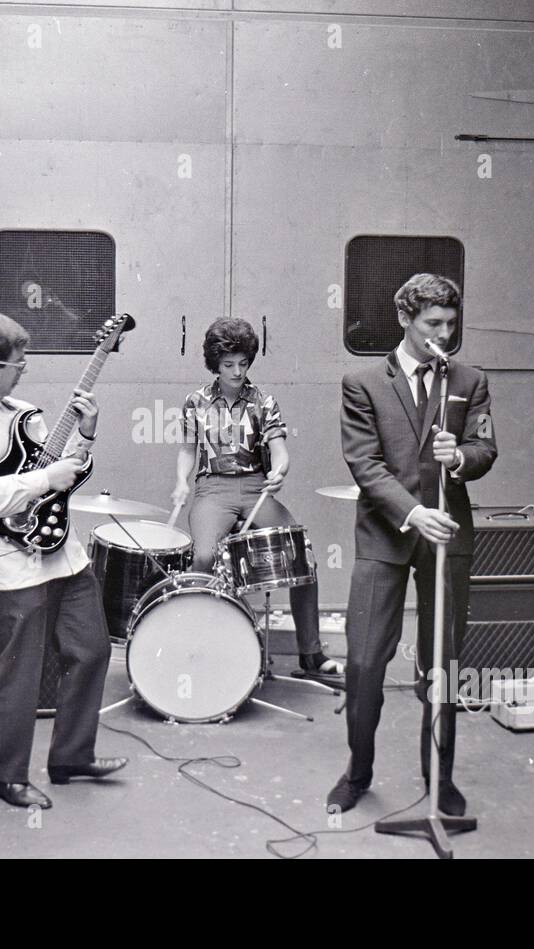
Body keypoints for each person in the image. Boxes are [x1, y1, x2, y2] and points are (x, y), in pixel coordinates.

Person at [0, 310, 128, 810]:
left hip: (63, 553)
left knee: (93, 650)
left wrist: (86, 434)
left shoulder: (20, 409)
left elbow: (64, 477)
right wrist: (43, 480)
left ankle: (71, 757)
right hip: (9, 563)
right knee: (23, 674)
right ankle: (7, 777)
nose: (24, 371)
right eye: (18, 364)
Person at [328, 274, 496, 816]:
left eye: (451, 325)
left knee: (443, 661)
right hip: (387, 534)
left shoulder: (471, 379)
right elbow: (366, 465)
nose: (443, 336)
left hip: (449, 537)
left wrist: (462, 459)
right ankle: (357, 771)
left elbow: (485, 447)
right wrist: (414, 512)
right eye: (432, 325)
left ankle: (439, 777)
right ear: (405, 319)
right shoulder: (363, 382)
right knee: (364, 661)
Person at [171, 317, 343, 677]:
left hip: (254, 488)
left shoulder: (264, 402)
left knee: (302, 555)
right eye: (228, 365)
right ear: (215, 364)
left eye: (243, 363)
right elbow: (188, 450)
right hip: (212, 488)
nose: (236, 371)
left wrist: (279, 471)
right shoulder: (195, 402)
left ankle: (310, 653)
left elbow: (279, 450)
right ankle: (197, 647)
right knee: (202, 557)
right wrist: (181, 481)